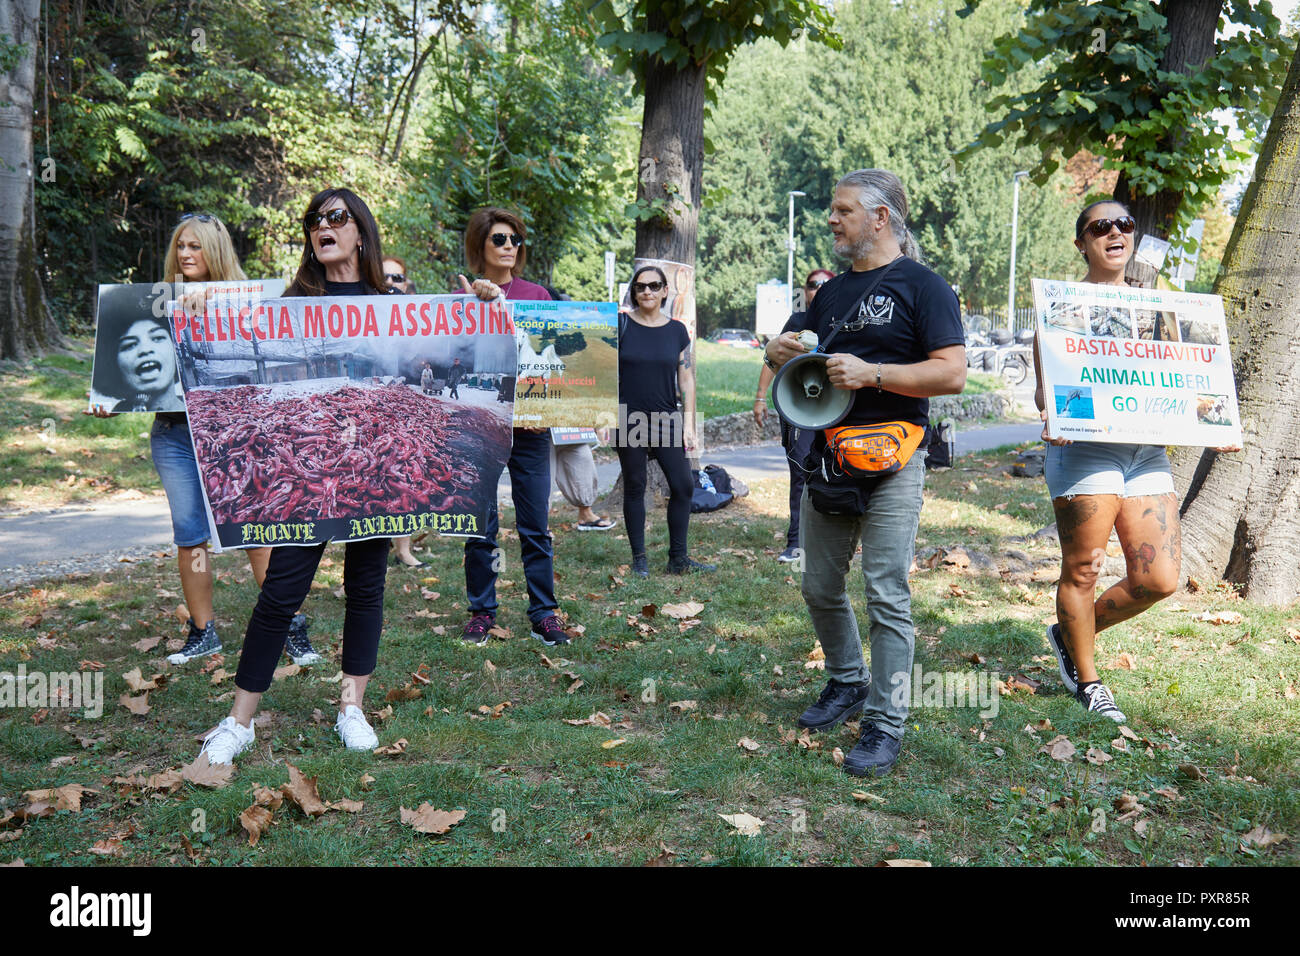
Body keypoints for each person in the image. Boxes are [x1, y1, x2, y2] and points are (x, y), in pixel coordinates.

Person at [197, 188, 483, 764]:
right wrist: (204, 309)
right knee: (281, 590)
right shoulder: (291, 305)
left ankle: (351, 707)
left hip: (372, 463)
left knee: (366, 587)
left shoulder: (391, 303)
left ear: (360, 232)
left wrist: (483, 303)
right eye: (314, 219)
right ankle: (239, 721)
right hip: (313, 466)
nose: (322, 226)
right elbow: (235, 336)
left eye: (335, 217)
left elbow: (455, 335)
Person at [765, 169, 966, 776]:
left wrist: (873, 374)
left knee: (886, 591)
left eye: (843, 209)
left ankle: (885, 722)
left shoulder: (925, 287)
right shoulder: (829, 295)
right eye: (833, 209)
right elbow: (803, 365)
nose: (832, 219)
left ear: (880, 218)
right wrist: (777, 352)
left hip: (896, 457)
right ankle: (848, 679)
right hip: (829, 458)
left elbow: (952, 373)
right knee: (818, 586)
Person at [1035, 199, 1241, 723]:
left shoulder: (1160, 308)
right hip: (1084, 452)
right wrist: (1056, 416)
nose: (1114, 233)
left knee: (1159, 579)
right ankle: (1089, 682)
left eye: (1123, 224)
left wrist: (1214, 425)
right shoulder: (1061, 308)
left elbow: (1187, 380)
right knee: (1083, 568)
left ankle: (1069, 633)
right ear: (1081, 243)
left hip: (1145, 453)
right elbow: (1046, 394)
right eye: (1099, 227)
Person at [88, 213, 322, 670]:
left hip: (234, 432)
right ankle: (203, 631)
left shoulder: (247, 299)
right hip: (174, 434)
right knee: (190, 534)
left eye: (195, 246)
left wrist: (215, 302)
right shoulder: (155, 303)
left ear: (214, 250)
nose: (185, 254)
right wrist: (108, 400)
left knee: (255, 530)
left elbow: (268, 330)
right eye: (180, 246)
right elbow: (134, 374)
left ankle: (289, 625)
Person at [455, 206, 576, 648]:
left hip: (530, 431)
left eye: (515, 240)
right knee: (480, 527)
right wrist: (476, 302)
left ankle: (544, 613)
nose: (509, 246)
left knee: (535, 526)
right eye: (499, 239)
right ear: (480, 245)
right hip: (482, 430)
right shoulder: (462, 297)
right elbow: (458, 352)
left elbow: (554, 356)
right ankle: (481, 612)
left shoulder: (537, 295)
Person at [615, 264, 714, 577]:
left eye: (654, 286)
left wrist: (689, 425)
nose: (647, 291)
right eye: (641, 286)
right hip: (628, 417)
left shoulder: (677, 331)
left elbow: (687, 380)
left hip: (666, 417)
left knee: (683, 486)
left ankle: (678, 559)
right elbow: (601, 372)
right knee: (635, 485)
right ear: (634, 292)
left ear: (665, 291)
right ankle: (639, 559)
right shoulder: (619, 325)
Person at [754, 267, 835, 562]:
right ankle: (795, 543)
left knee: (837, 471)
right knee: (801, 471)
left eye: (826, 283)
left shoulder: (844, 321)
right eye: (813, 284)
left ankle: (833, 542)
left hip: (836, 408)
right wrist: (760, 397)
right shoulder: (797, 322)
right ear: (806, 290)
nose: (819, 288)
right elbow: (773, 360)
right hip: (798, 409)